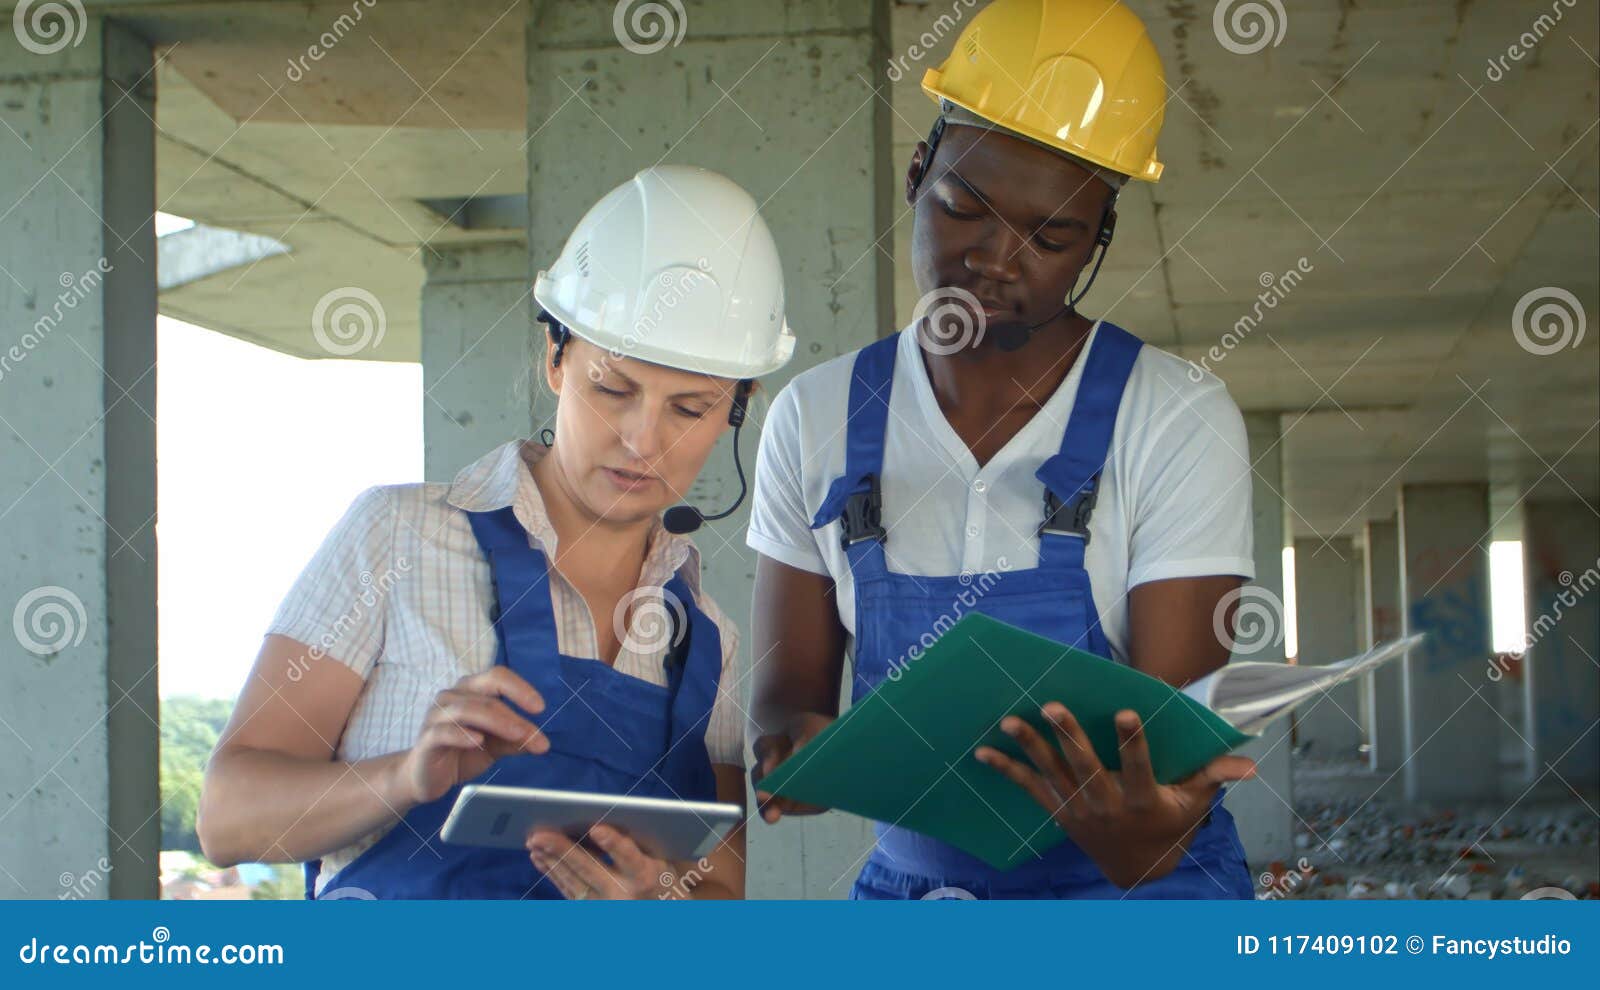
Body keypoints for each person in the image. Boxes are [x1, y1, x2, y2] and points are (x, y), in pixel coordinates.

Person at [745, 0, 1259, 899]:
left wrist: (1148, 835)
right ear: (917, 172)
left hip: (1140, 901)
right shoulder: (813, 416)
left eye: (1051, 236)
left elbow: (1170, 747)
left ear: (1097, 240)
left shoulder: (1173, 417)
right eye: (963, 207)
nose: (995, 258)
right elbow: (789, 694)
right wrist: (796, 754)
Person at [197, 165, 796, 899]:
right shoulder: (396, 539)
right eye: (613, 388)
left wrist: (657, 902)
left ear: (737, 408)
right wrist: (404, 776)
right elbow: (227, 818)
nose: (644, 439)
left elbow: (719, 894)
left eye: (690, 408)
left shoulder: (704, 641)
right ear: (555, 359)